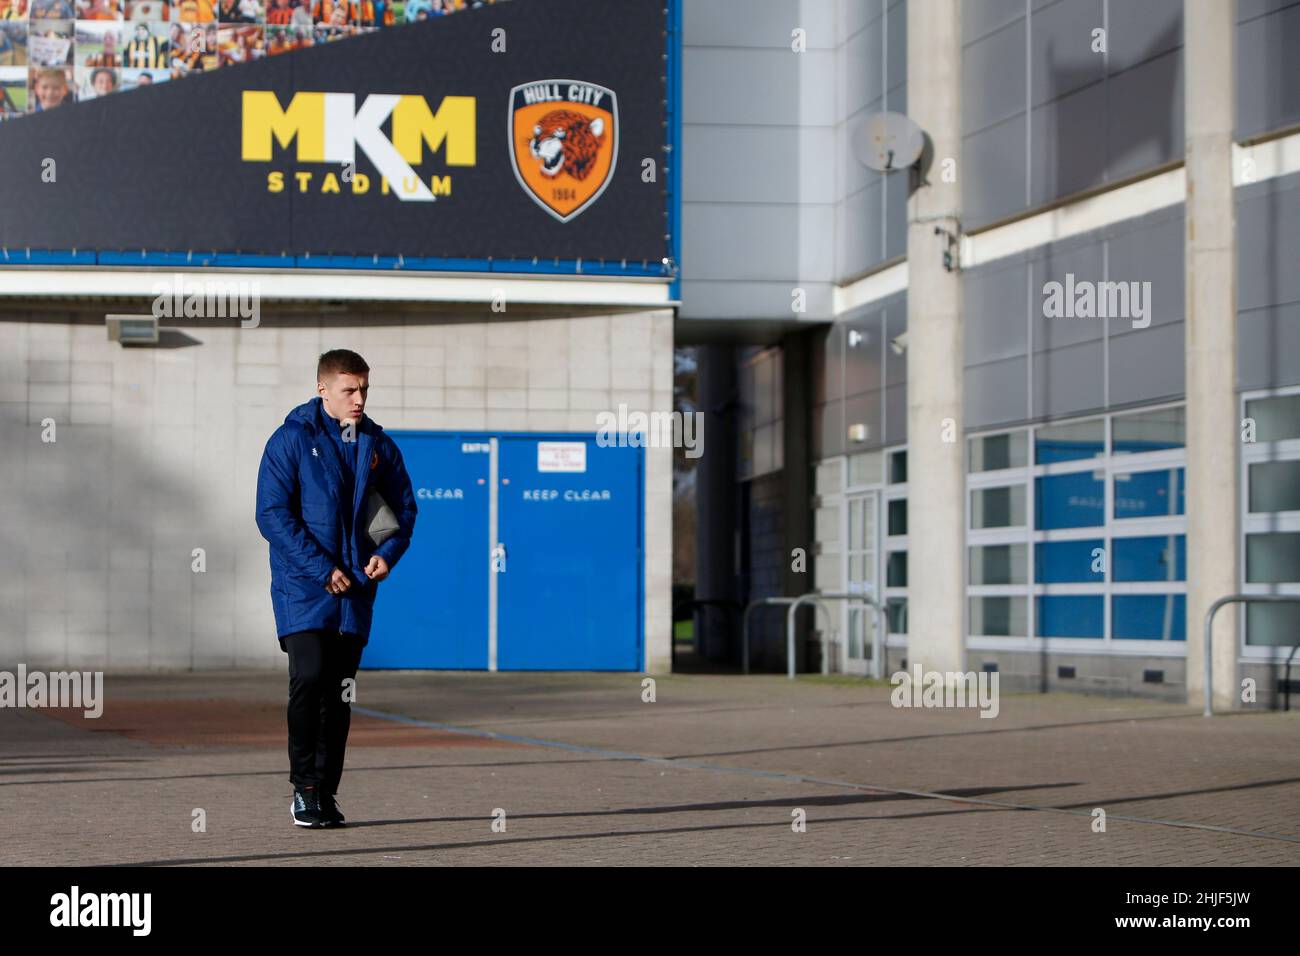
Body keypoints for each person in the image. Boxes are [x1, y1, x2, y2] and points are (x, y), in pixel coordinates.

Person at [255, 349, 417, 829]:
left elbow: (403, 511)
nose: (359, 398)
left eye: (364, 388)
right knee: (309, 678)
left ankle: (327, 791)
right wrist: (321, 568)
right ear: (322, 388)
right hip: (302, 589)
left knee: (339, 693)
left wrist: (385, 556)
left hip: (356, 592)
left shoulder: (378, 446)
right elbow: (272, 515)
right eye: (349, 389)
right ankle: (304, 788)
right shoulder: (290, 441)